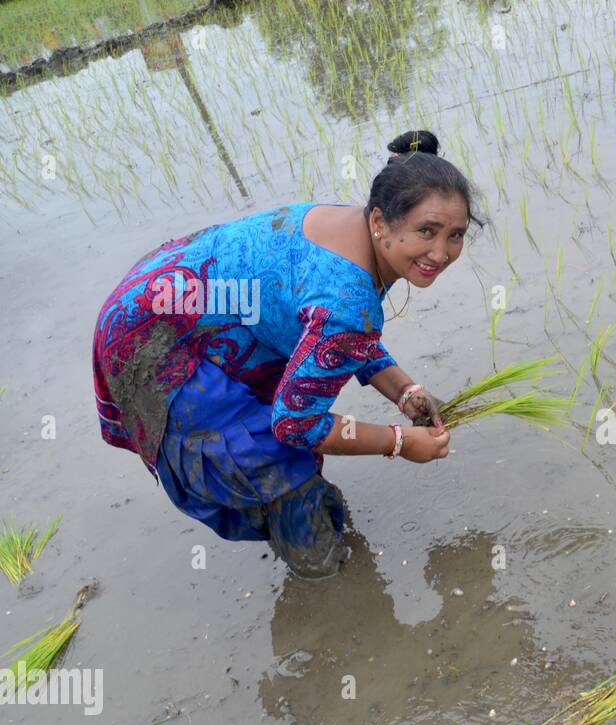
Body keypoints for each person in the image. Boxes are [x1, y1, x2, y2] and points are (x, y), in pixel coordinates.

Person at [92, 130, 480, 578]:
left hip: (166, 290)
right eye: (426, 231)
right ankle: (324, 582)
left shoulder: (357, 231)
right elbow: (297, 423)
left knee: (282, 445)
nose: (441, 252)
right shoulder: (349, 299)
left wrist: (404, 389)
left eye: (456, 235)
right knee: (274, 463)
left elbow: (330, 326)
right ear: (380, 220)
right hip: (156, 340)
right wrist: (398, 442)